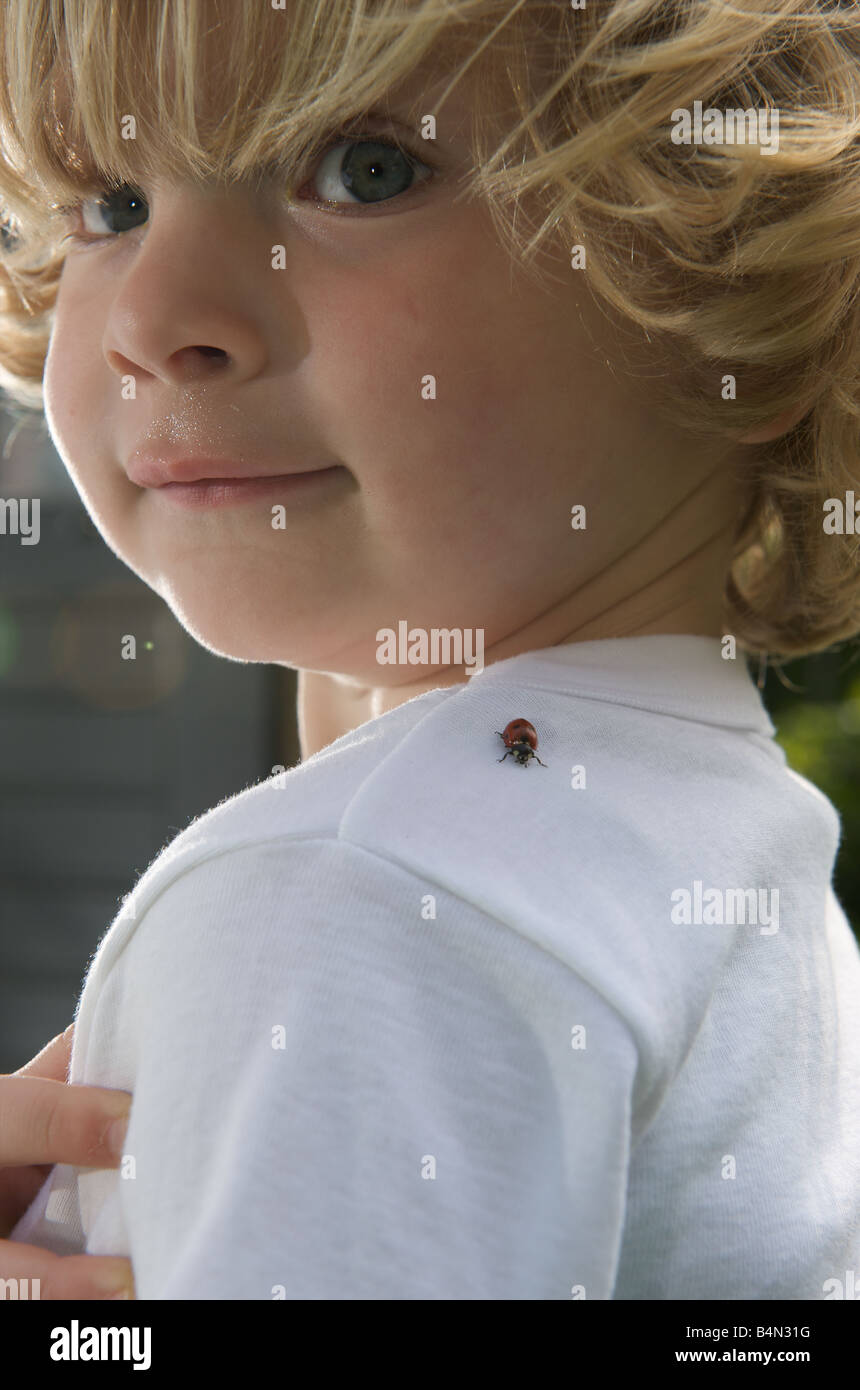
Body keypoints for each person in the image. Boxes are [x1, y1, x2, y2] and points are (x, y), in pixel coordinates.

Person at [0, 0, 858, 1299]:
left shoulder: (356, 892)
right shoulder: (716, 832)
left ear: (738, 262)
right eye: (114, 202)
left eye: (367, 169)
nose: (155, 314)